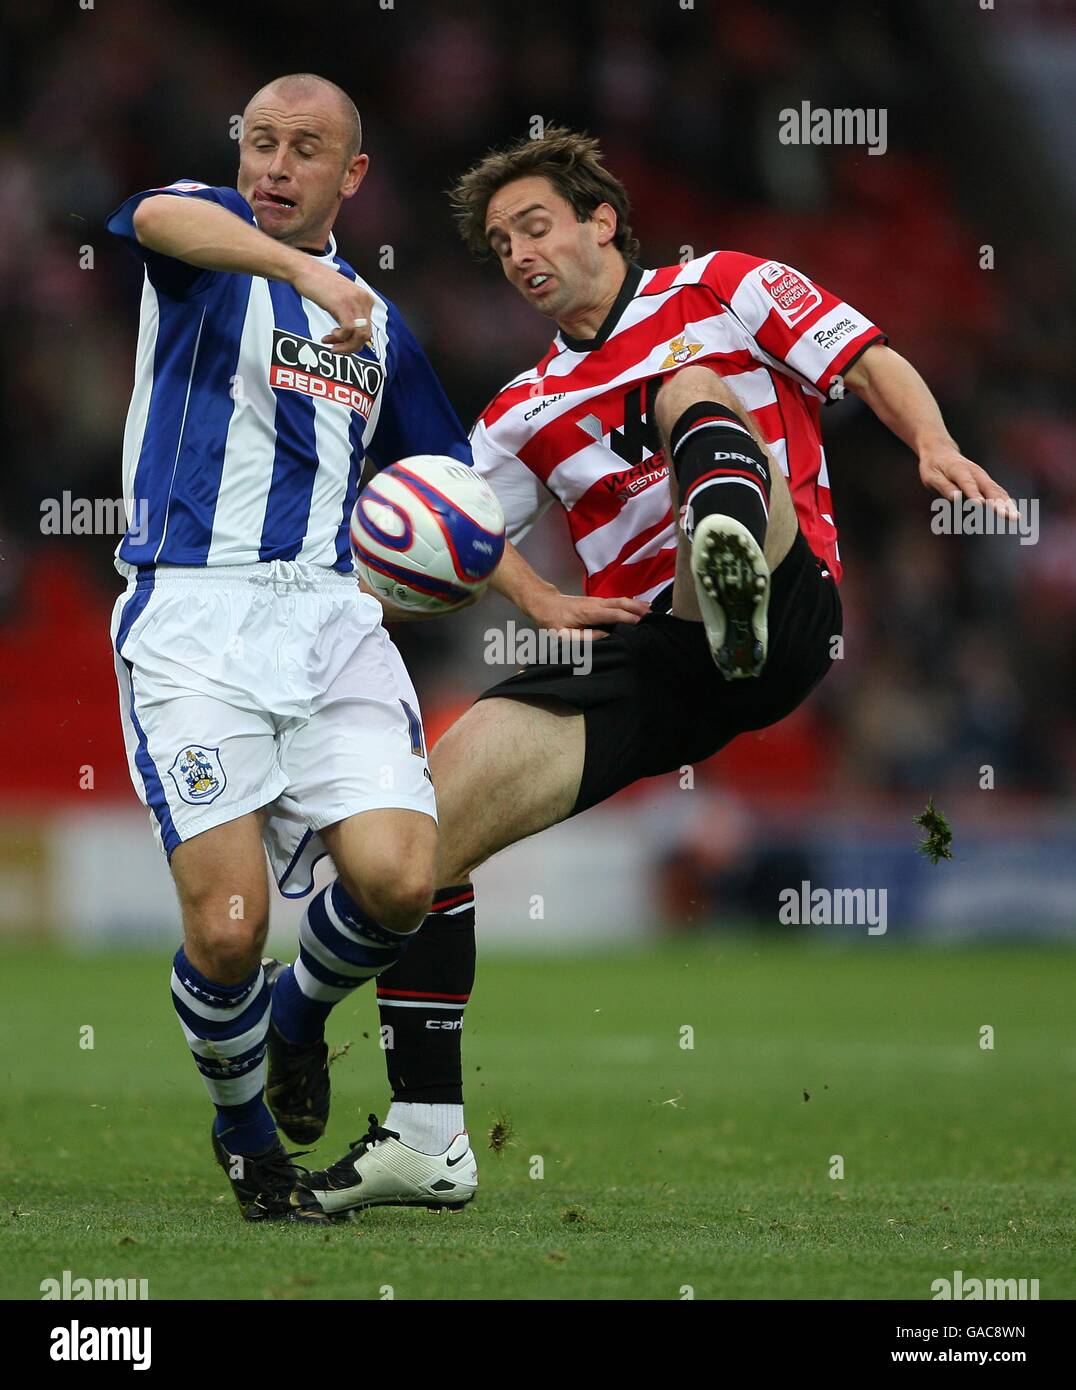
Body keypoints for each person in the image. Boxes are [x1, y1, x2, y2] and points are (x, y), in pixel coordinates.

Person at [289, 126, 1014, 1220]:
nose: (520, 253)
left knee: (685, 392)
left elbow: (863, 358)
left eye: (536, 225)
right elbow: (452, 531)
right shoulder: (519, 409)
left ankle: (719, 561)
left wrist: (928, 440)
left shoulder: (721, 287)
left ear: (602, 223)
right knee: (422, 827)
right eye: (498, 243)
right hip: (653, 654)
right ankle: (426, 1135)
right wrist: (492, 591)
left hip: (781, 596)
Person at [106, 72, 478, 1222]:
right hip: (191, 618)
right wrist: (301, 269)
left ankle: (299, 1015)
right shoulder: (206, 246)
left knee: (401, 880)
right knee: (227, 930)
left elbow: (445, 490)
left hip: (328, 620)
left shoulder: (381, 329)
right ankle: (241, 1122)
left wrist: (533, 591)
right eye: (259, 142)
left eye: (303, 149)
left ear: (351, 175)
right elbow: (154, 215)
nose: (273, 164)